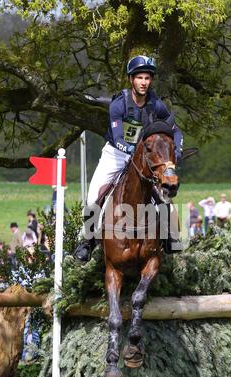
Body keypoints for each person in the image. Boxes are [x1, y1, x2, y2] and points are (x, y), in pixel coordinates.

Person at [75, 55, 184, 262]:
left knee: (163, 195)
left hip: (143, 157)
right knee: (93, 199)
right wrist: (134, 151)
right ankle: (88, 241)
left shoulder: (156, 105)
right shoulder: (118, 104)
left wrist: (175, 151)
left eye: (147, 78)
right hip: (116, 155)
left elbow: (174, 130)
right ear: (131, 79)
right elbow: (118, 139)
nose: (144, 82)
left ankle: (170, 237)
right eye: (140, 77)